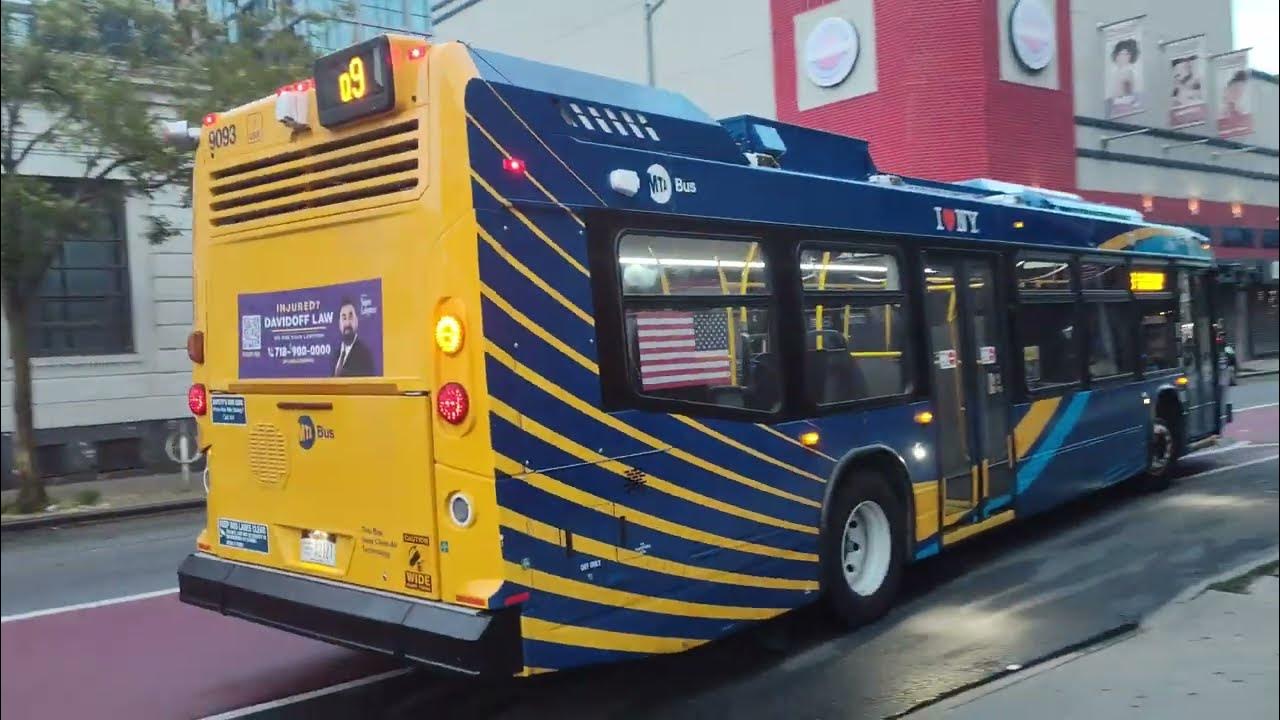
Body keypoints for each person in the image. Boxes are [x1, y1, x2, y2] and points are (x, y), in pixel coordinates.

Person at [332, 297, 375, 377]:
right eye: (344, 318)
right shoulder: (335, 356)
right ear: (339, 323)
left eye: (350, 317)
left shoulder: (365, 355)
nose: (347, 323)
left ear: (357, 320)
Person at [1107, 38, 1139, 104]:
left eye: (1126, 54)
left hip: (1123, 103)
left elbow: (1130, 93)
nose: (1123, 56)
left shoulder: (1128, 71)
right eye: (1121, 54)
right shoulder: (1116, 71)